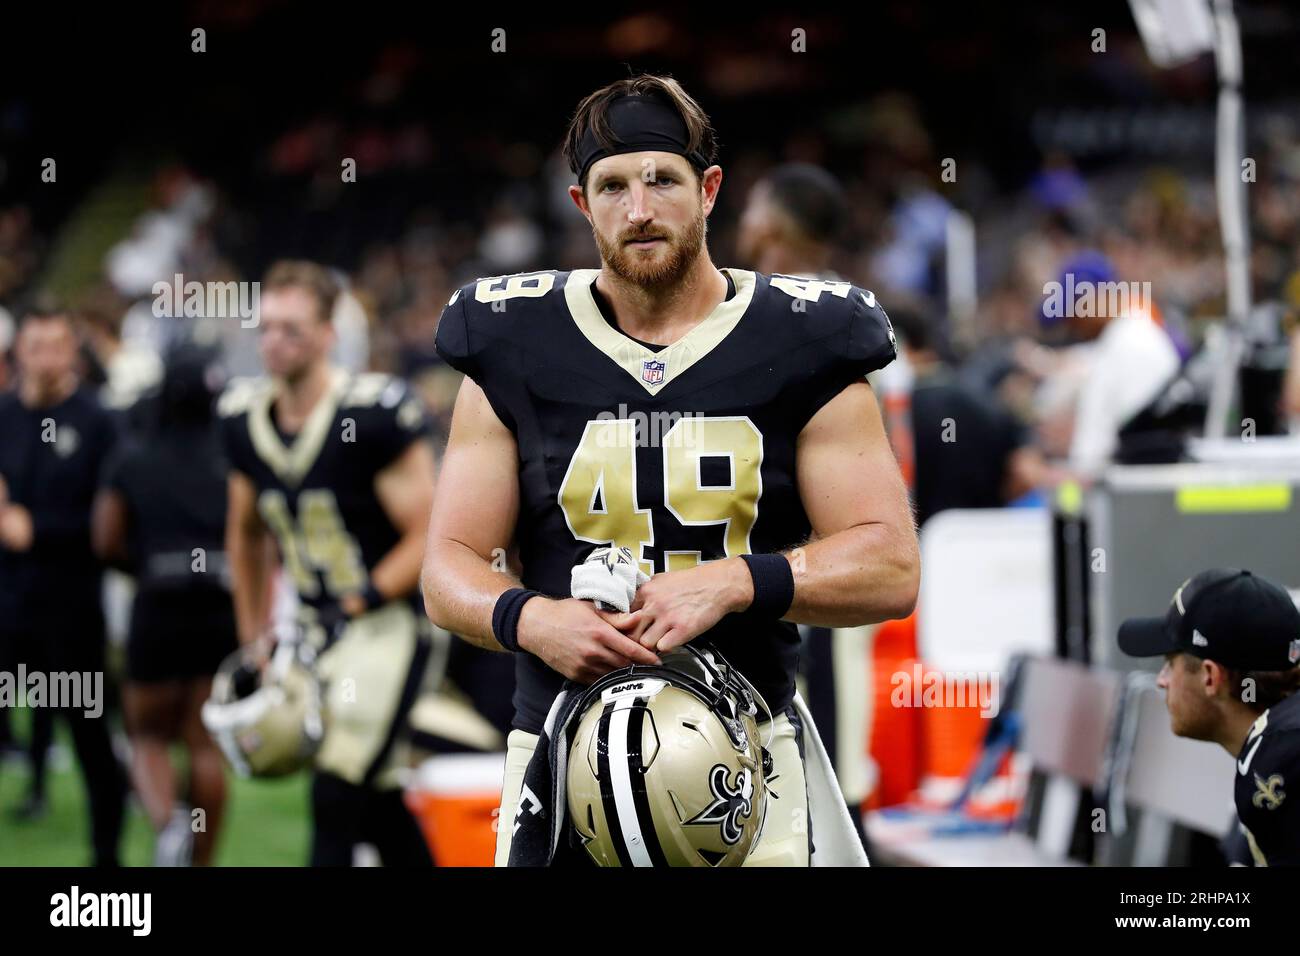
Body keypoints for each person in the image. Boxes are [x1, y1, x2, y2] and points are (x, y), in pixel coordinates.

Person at [422, 74, 920, 866]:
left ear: (710, 189)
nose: (640, 209)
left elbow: (891, 565)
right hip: (564, 753)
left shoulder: (807, 337)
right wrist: (532, 620)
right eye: (613, 186)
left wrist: (733, 582)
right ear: (582, 204)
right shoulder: (512, 339)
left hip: (745, 754)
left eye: (662, 179)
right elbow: (446, 570)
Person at [219, 260, 437, 866]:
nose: (274, 342)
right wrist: (252, 635)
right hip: (315, 627)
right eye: (266, 328)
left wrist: (359, 599)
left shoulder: (371, 412)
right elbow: (247, 534)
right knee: (376, 795)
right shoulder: (244, 419)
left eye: (292, 328)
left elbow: (429, 532)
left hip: (387, 623)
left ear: (327, 334)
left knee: (336, 782)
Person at [92, 343, 236, 865]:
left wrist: (147, 566)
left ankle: (169, 823)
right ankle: (201, 860)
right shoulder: (231, 458)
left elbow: (106, 539)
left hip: (157, 606)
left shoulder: (134, 455)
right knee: (203, 743)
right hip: (219, 610)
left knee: (147, 735)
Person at [0, 306, 127, 865]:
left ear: (72, 352)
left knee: (90, 742)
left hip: (69, 612)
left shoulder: (98, 421)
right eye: (35, 345)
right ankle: (32, 787)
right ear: (18, 352)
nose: (46, 357)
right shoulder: (3, 415)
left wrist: (35, 530)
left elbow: (111, 527)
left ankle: (107, 863)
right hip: (6, 607)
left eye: (57, 345)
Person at [1119, 568, 1300, 866]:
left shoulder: (1278, 760)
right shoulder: (1273, 742)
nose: (1161, 681)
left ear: (1210, 677)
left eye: (1169, 664)